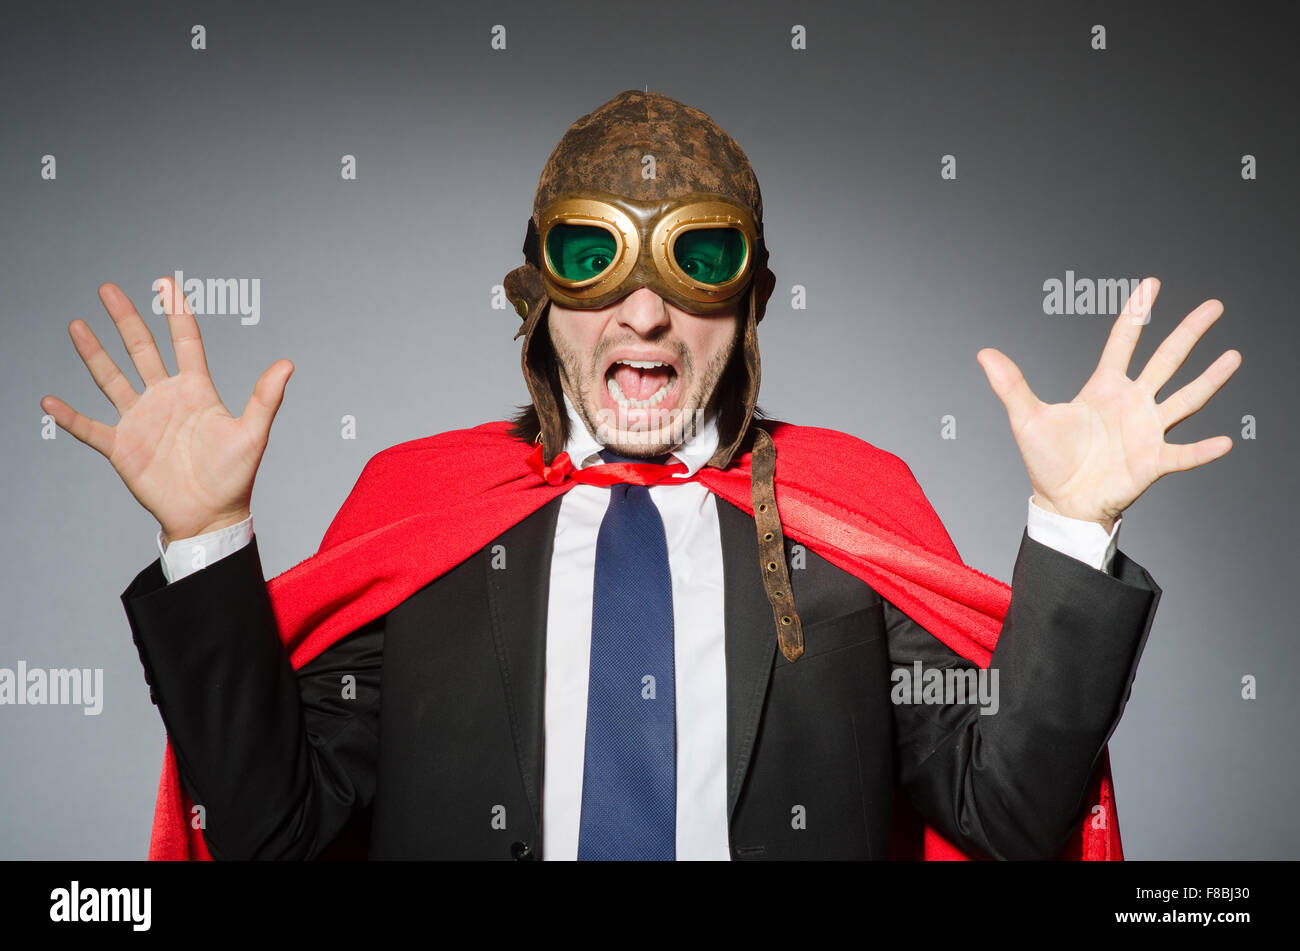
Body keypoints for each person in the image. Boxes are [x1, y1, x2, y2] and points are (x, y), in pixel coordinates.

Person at [41, 90, 1239, 861]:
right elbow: (269, 834)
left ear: (752, 302)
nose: (648, 313)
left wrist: (1072, 530)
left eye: (698, 260)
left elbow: (1014, 822)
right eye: (595, 259)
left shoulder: (844, 517)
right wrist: (204, 541)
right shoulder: (425, 522)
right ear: (539, 297)